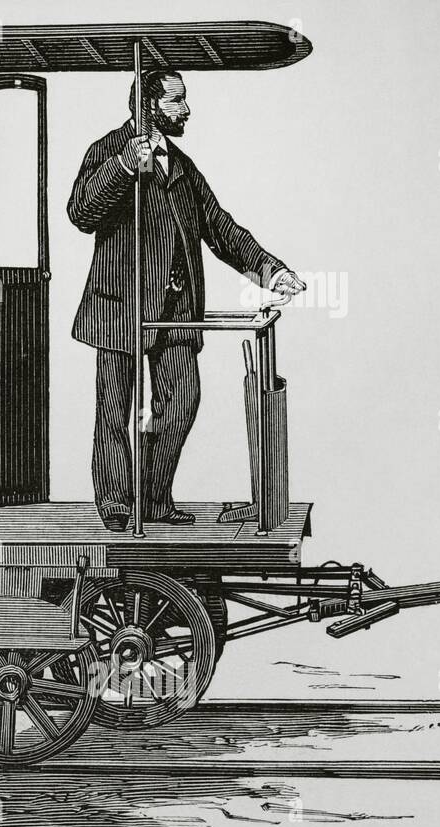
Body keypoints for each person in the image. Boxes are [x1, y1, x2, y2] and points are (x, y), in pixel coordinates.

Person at [67, 69, 306, 532]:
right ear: (149, 106)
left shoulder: (181, 166)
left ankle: (153, 499)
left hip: (175, 312)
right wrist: (122, 168)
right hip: (120, 307)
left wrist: (270, 271)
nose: (187, 110)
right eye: (177, 102)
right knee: (116, 410)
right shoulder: (106, 150)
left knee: (181, 402)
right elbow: (80, 212)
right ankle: (117, 504)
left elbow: (220, 228)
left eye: (183, 100)